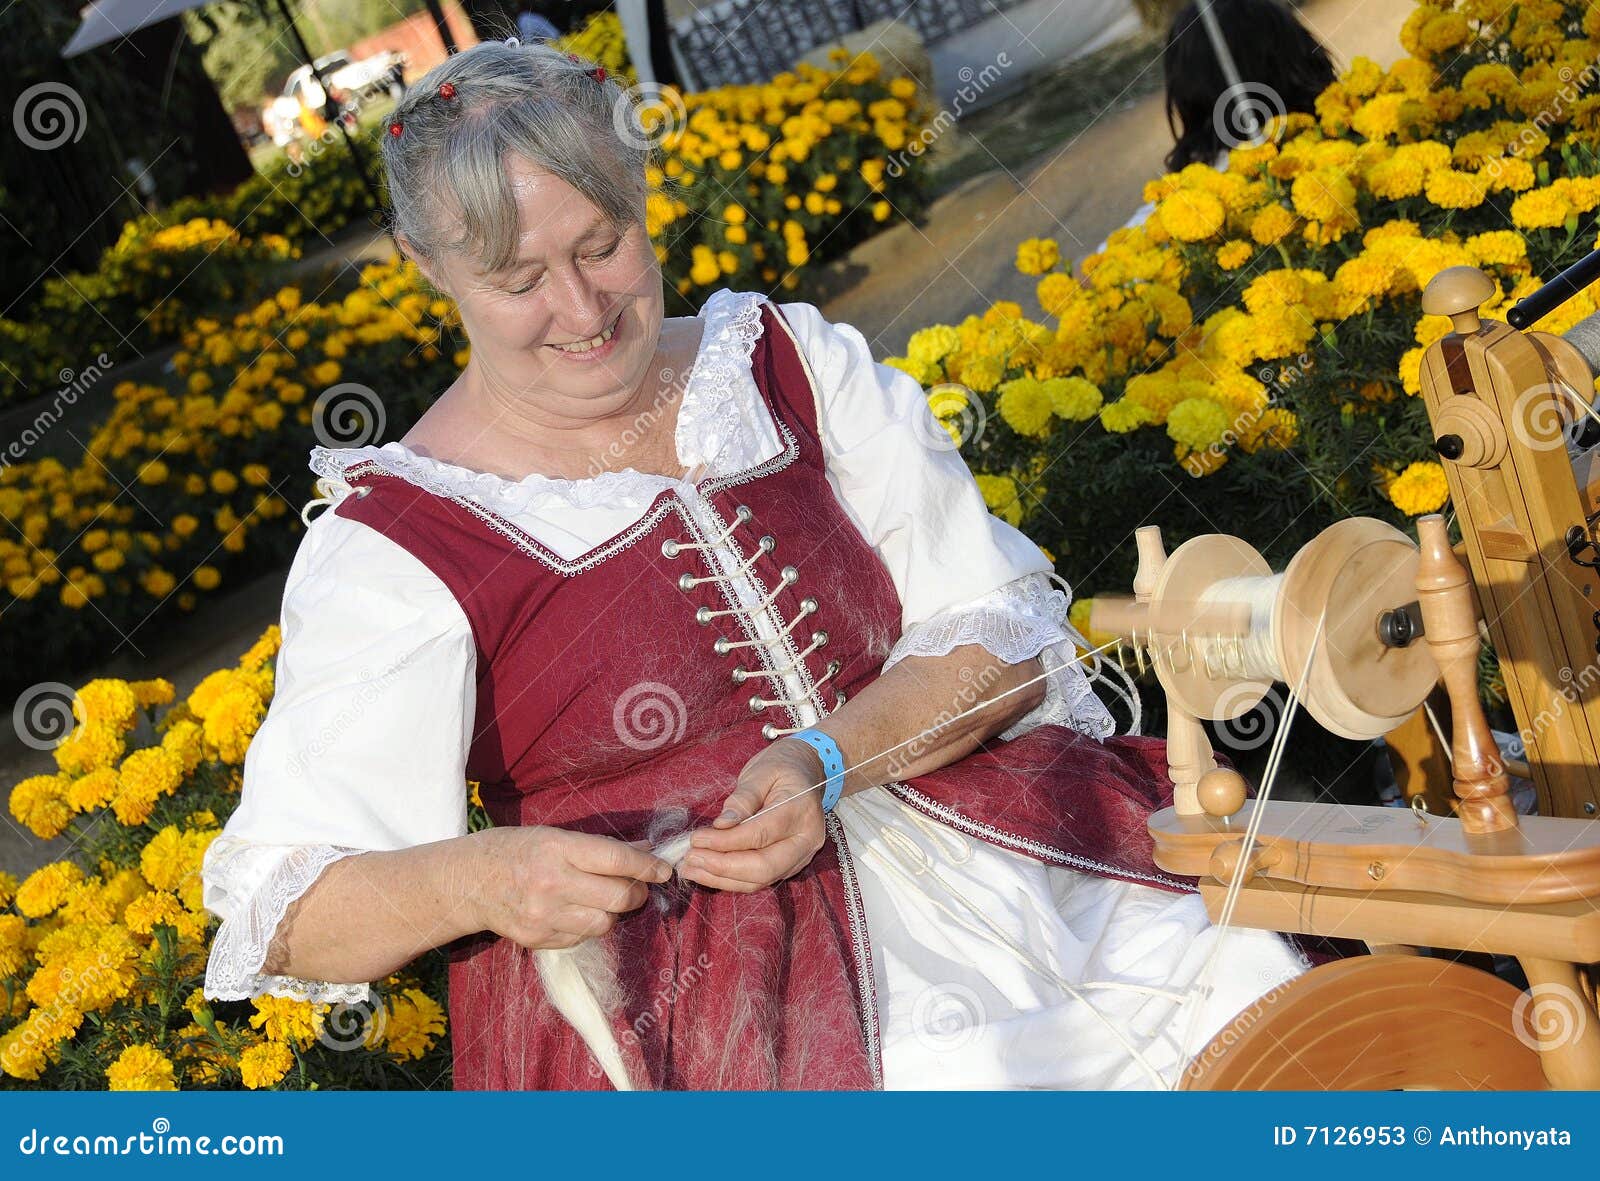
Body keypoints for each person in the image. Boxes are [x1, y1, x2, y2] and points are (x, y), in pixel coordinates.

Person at [199, 39, 1309, 1091]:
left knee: (1248, 979)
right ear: (427, 265)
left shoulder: (788, 365)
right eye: (517, 275)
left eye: (602, 244)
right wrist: (483, 877)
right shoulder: (400, 544)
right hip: (695, 995)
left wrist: (829, 755)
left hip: (1004, 839)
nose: (581, 309)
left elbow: (999, 636)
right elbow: (290, 904)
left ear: (641, 197)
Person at [1099, 0, 1336, 250]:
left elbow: (1097, 273)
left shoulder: (1169, 223)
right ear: (1301, 57)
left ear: (1188, 94)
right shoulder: (1355, 151)